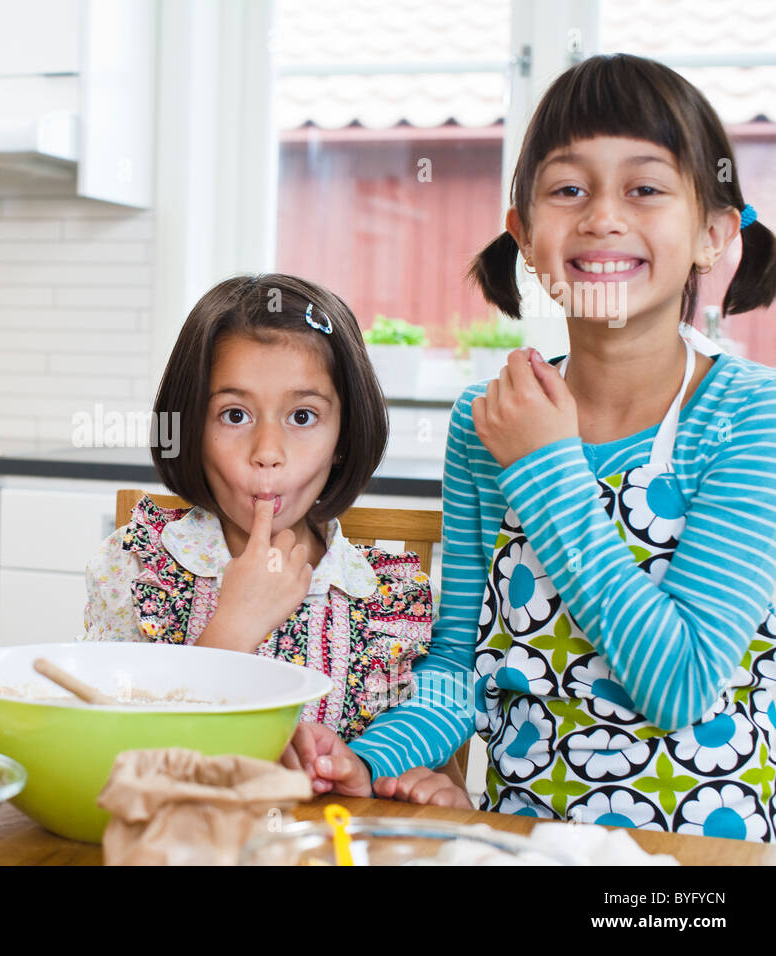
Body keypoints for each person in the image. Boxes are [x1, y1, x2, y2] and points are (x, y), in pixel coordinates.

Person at [296, 54, 776, 841]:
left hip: (698, 864)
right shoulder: (486, 422)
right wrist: (364, 761)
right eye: (568, 189)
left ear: (713, 234)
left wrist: (546, 466)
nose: (602, 217)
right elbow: (459, 673)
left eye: (645, 188)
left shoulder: (749, 416)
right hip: (520, 846)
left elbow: (683, 681)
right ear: (524, 233)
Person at [83, 274, 434, 753]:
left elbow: (423, 776)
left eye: (303, 416)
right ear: (190, 430)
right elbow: (106, 752)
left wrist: (412, 781)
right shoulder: (137, 567)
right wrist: (235, 623)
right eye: (234, 415)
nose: (267, 452)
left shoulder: (390, 599)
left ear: (343, 439)